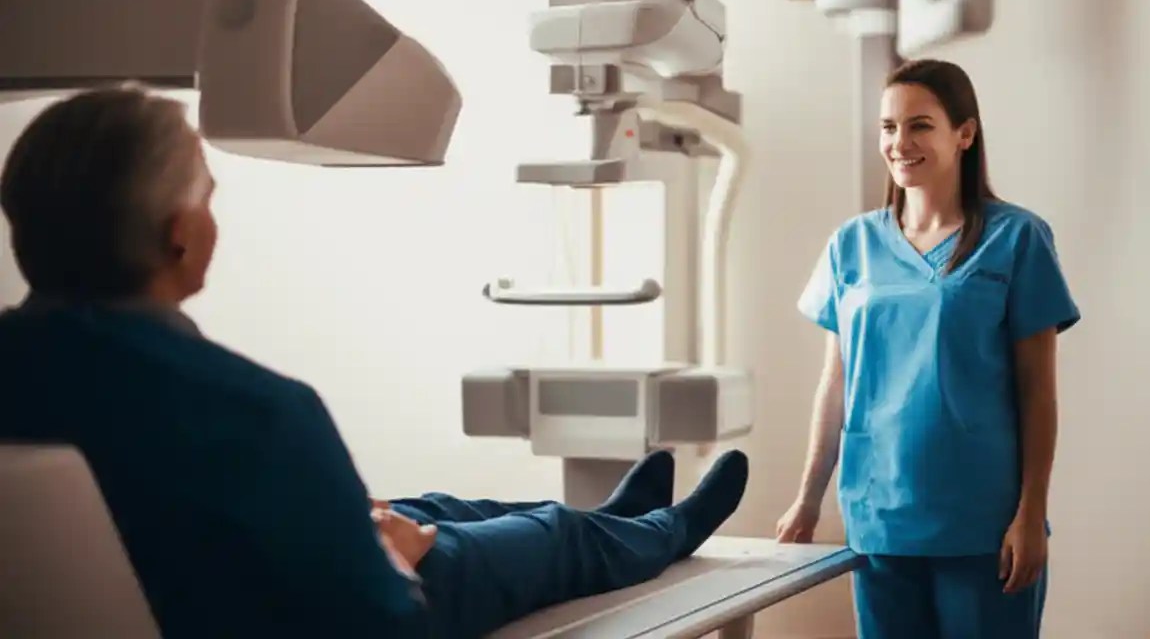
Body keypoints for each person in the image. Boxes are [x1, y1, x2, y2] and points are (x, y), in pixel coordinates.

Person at [0, 84, 749, 639]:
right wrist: (393, 560)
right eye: (208, 196)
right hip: (300, 616)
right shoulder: (260, 414)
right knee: (540, 535)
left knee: (436, 510)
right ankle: (662, 532)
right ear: (178, 236)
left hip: (204, 585)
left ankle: (614, 521)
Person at [775, 58, 1080, 639]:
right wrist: (808, 498)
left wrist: (1031, 513)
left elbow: (1038, 389)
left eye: (920, 125)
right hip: (879, 518)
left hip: (983, 525)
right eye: (888, 127)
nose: (900, 142)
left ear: (964, 134)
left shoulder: (1017, 238)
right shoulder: (853, 244)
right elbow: (835, 384)